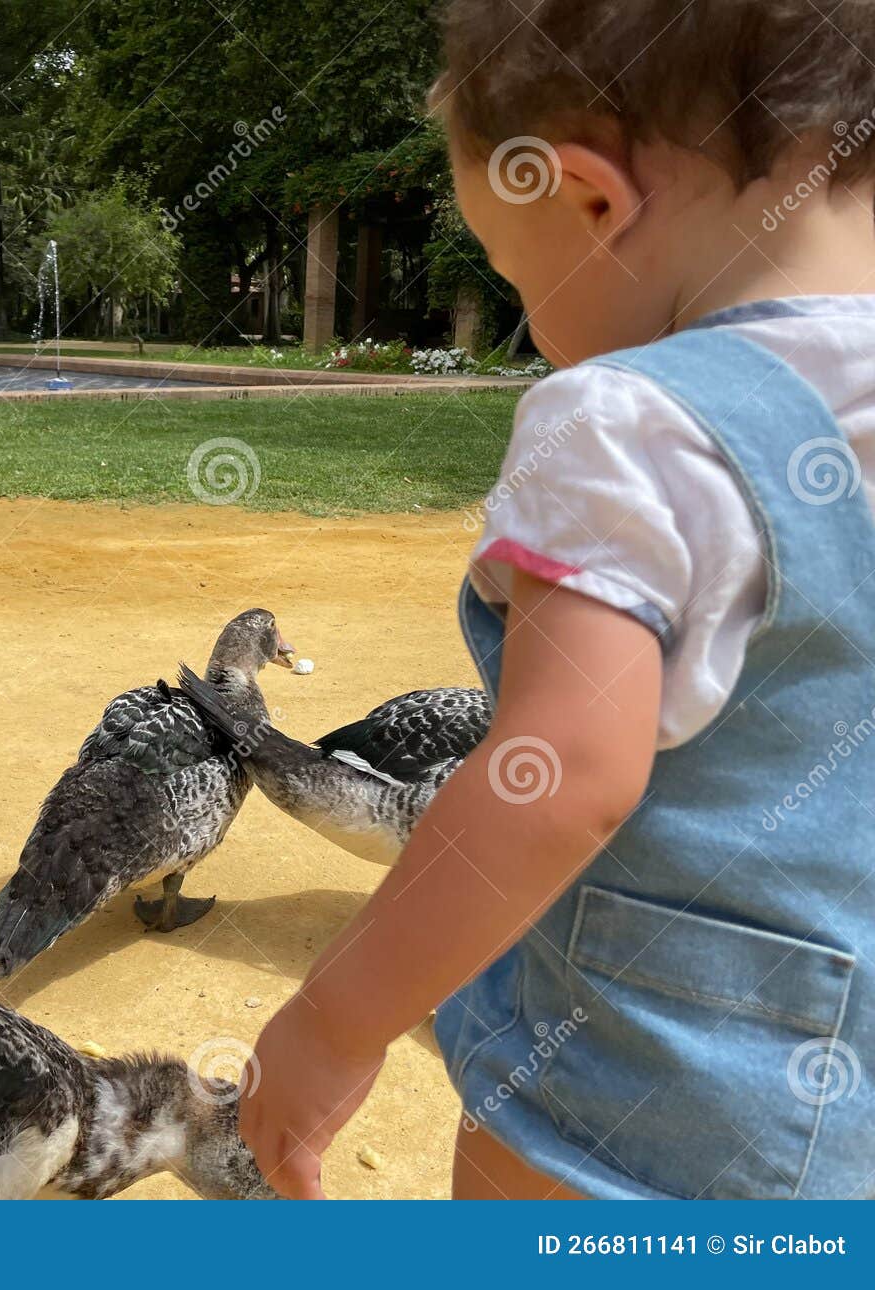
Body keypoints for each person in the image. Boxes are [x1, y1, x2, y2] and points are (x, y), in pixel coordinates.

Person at [239, 0, 875, 1203]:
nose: (532, 324)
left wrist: (336, 1020)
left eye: (507, 267)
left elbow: (564, 779)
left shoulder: (632, 423)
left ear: (588, 197)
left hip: (644, 1106)